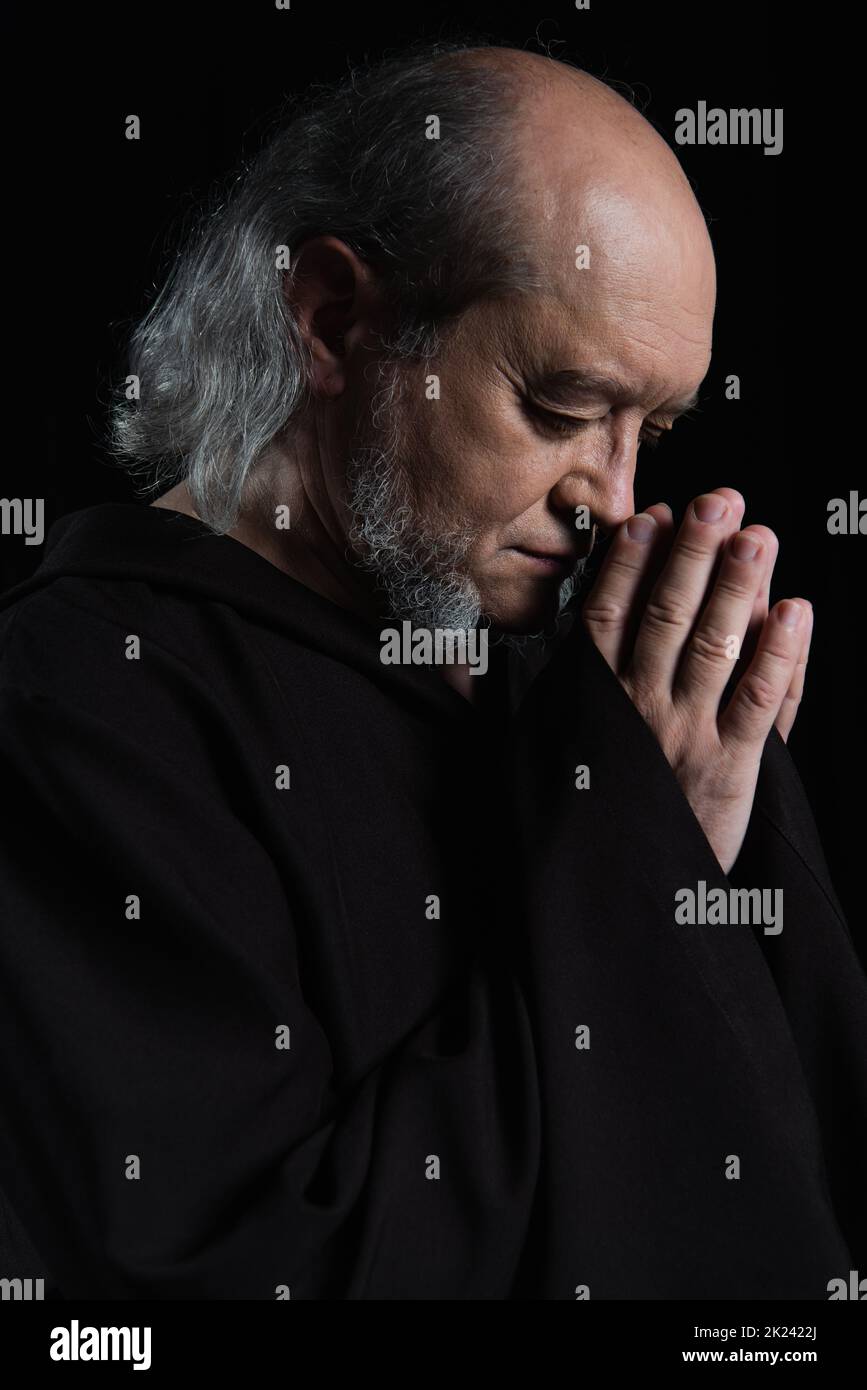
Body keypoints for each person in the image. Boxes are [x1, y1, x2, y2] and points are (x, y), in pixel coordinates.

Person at [1, 40, 864, 1300]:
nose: (612, 495)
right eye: (562, 410)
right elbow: (233, 1274)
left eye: (654, 430)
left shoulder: (588, 679)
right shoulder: (76, 700)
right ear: (331, 319)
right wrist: (639, 853)